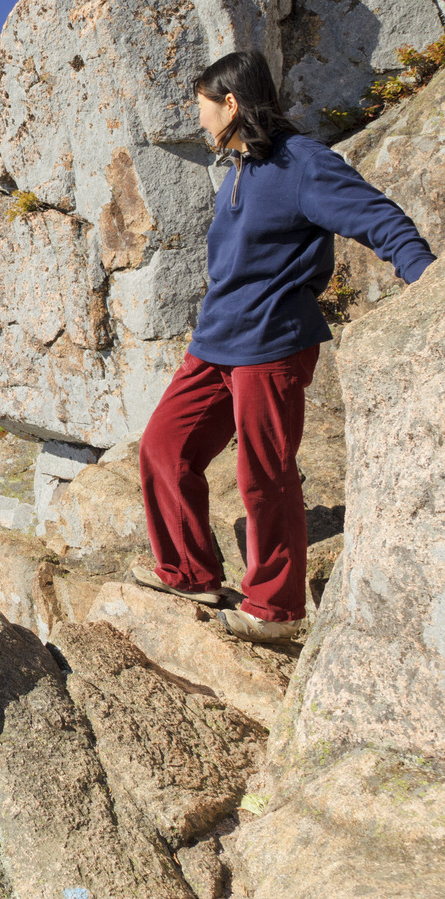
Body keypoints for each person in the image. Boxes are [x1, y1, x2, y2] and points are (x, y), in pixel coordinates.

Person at [132, 50, 435, 644]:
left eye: (202, 108)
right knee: (164, 448)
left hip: (273, 345)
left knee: (264, 477)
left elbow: (377, 216)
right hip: (215, 345)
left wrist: (430, 282)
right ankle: (191, 573)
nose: (199, 121)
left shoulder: (304, 164)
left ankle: (276, 611)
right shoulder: (240, 167)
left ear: (232, 104)